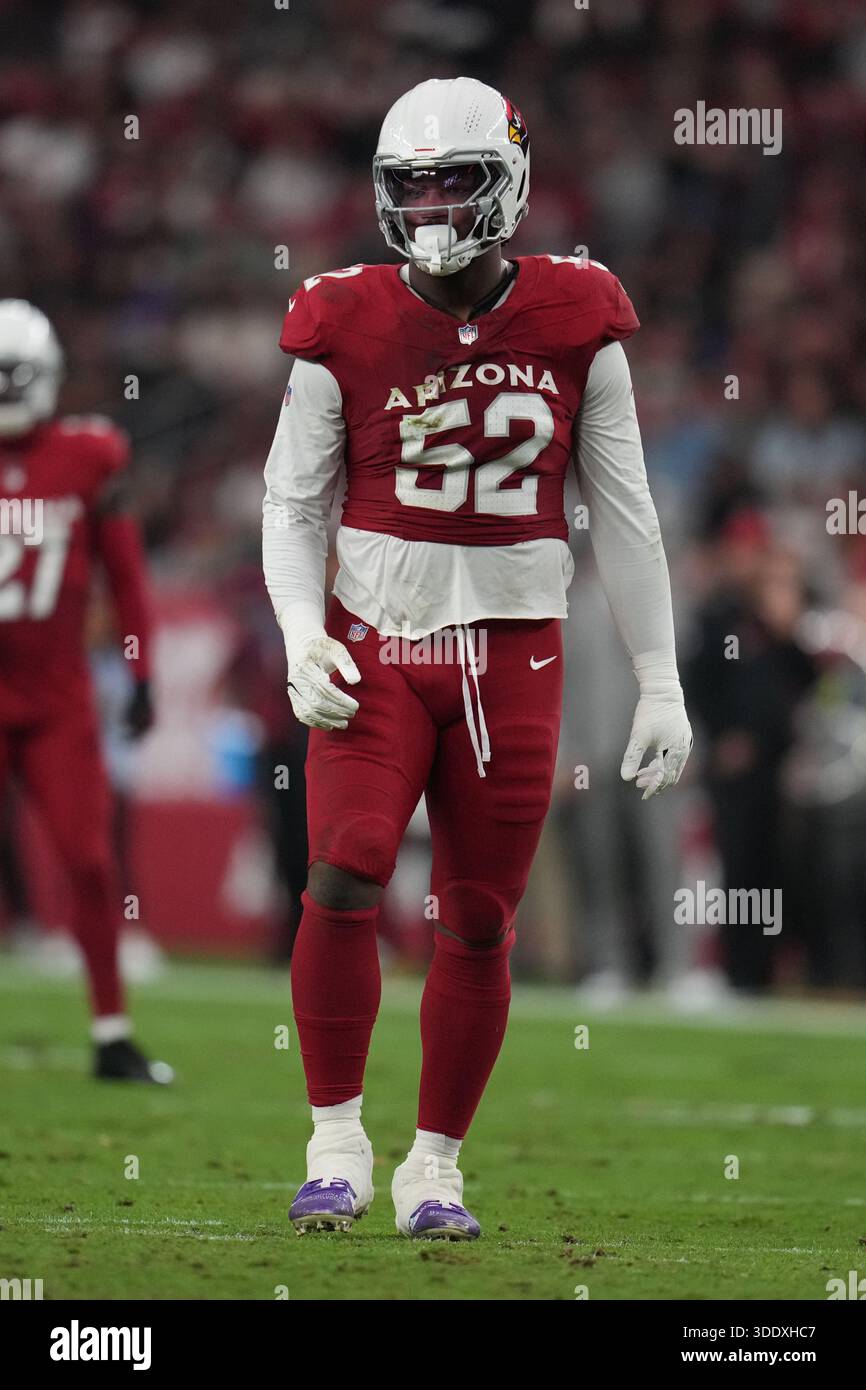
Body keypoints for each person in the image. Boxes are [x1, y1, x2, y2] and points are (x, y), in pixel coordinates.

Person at [262, 78, 691, 1240]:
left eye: (453, 179)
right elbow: (289, 503)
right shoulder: (338, 314)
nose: (433, 203)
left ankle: (434, 1165)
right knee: (346, 866)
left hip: (510, 651)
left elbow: (627, 510)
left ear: (506, 181)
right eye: (411, 184)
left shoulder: (576, 312)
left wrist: (657, 677)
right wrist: (303, 632)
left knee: (479, 916)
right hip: (376, 635)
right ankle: (336, 1144)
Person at [0, 299, 171, 1083]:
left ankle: (110, 1032)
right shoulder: (91, 449)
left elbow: (126, 576)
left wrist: (140, 670)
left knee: (88, 860)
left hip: (56, 696)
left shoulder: (90, 453)